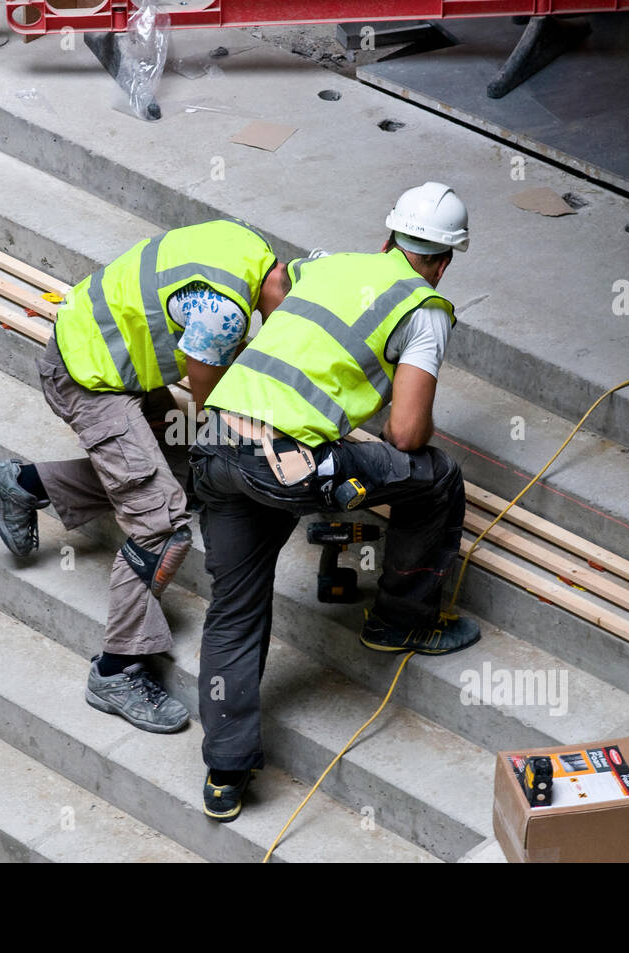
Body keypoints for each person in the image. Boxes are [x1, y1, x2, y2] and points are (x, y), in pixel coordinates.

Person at [188, 183, 480, 821]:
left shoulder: (328, 263)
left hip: (213, 445)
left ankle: (224, 774)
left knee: (234, 612)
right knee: (435, 476)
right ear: (445, 261)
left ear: (387, 238)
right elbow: (405, 434)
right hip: (288, 466)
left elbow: (277, 292)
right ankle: (399, 620)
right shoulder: (424, 308)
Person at [0, 218, 291, 734]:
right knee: (161, 527)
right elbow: (214, 415)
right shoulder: (224, 314)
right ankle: (116, 670)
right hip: (89, 378)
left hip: (103, 347)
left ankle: (23, 485)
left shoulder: (250, 247)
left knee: (178, 468)